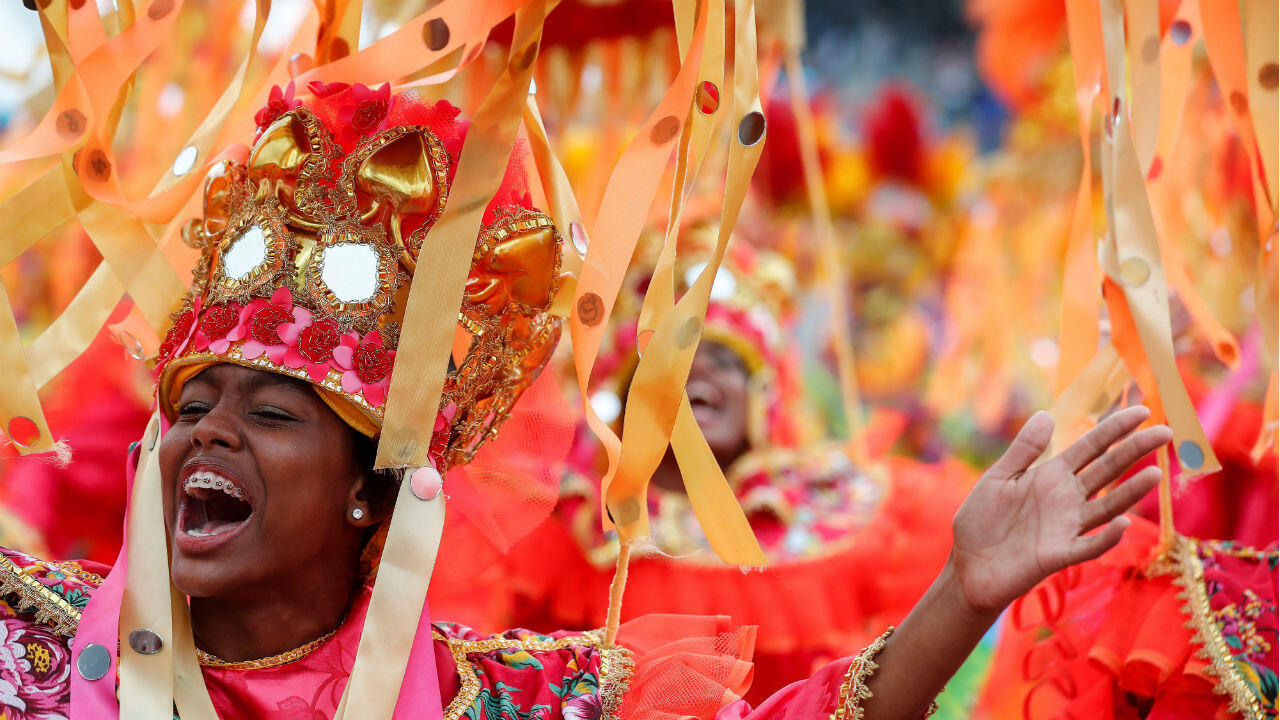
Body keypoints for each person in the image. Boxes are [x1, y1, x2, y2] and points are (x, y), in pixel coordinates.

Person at [0, 85, 1170, 720]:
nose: (206, 428)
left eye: (270, 412)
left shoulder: (499, 703)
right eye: (194, 400)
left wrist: (959, 597)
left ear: (373, 491)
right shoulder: (29, 645)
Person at [472, 241, 971, 704]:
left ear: (762, 400)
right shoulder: (553, 517)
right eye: (672, 356)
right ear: (624, 394)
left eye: (725, 359)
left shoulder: (841, 523)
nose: (698, 371)